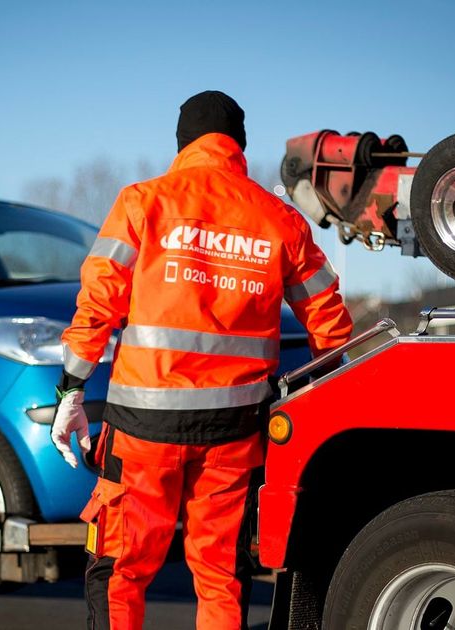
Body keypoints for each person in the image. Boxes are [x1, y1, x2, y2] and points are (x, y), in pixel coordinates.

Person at [52, 90, 353, 630]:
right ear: (238, 145)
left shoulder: (143, 202)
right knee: (221, 578)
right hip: (234, 434)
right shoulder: (279, 218)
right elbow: (329, 320)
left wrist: (70, 390)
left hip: (143, 428)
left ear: (182, 143)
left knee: (120, 571)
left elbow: (97, 303)